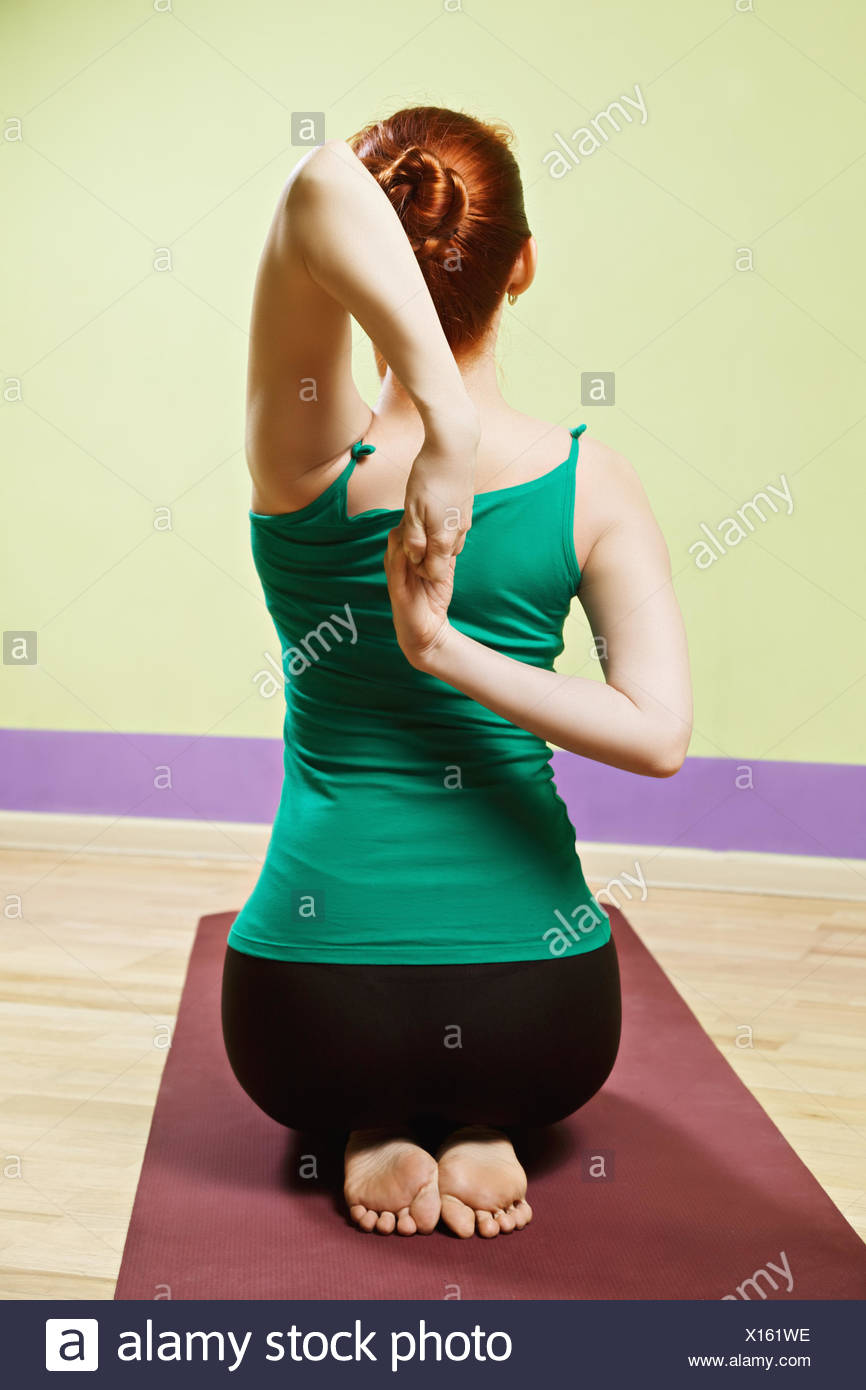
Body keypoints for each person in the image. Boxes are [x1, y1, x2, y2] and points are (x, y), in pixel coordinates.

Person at [220, 106, 693, 1240]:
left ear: (360, 273)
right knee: (502, 1075)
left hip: (304, 1015)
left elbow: (310, 183)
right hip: (543, 1017)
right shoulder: (593, 480)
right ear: (520, 264)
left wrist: (432, 428)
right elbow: (657, 736)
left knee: (347, 1068)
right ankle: (487, 1117)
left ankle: (369, 1120)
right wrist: (459, 647)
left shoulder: (306, 459)